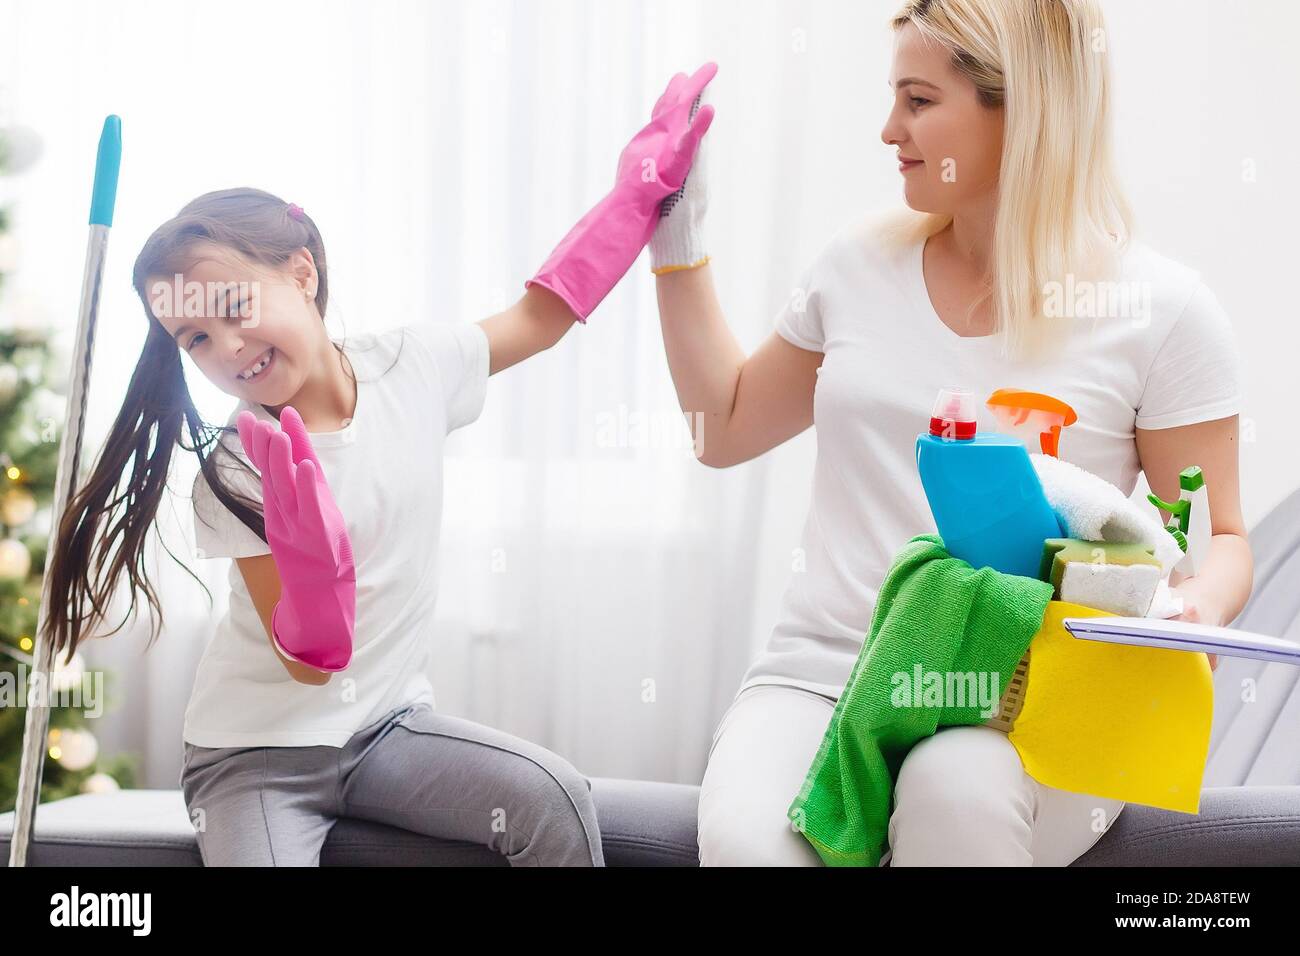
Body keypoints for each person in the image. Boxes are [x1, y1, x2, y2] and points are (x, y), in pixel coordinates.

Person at [41, 64, 716, 866]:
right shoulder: (235, 470)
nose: (224, 351)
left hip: (388, 729)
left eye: (231, 309)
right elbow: (306, 668)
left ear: (301, 271)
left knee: (553, 799)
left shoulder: (413, 366)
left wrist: (634, 199)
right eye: (193, 341)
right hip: (254, 758)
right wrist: (314, 578)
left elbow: (543, 316)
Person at [650, 0, 1250, 865]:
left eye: (919, 101)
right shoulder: (856, 266)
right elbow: (726, 426)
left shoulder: (1161, 311)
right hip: (827, 672)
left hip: (1032, 690)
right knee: (749, 843)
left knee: (956, 789)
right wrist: (677, 234)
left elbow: (1221, 535)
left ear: (1023, 110)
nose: (889, 129)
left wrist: (1197, 607)